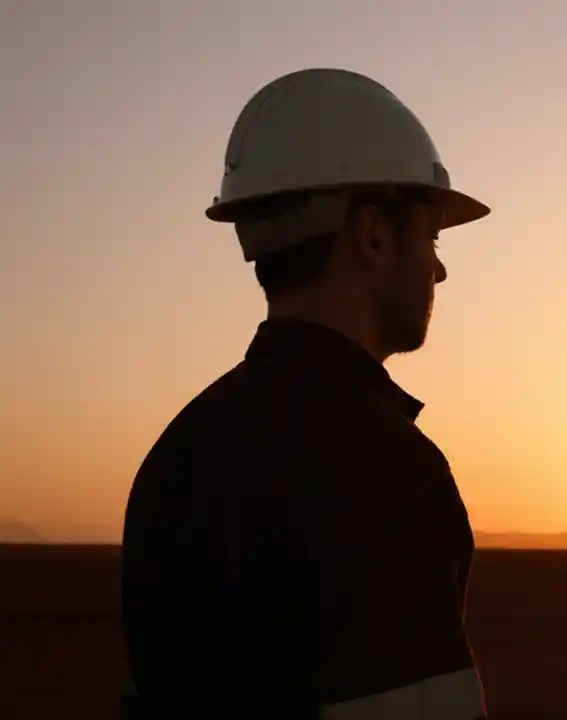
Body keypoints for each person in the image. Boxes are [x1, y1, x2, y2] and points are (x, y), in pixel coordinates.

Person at [120, 68, 491, 719]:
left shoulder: (177, 455)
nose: (438, 267)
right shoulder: (382, 467)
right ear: (374, 235)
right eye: (429, 235)